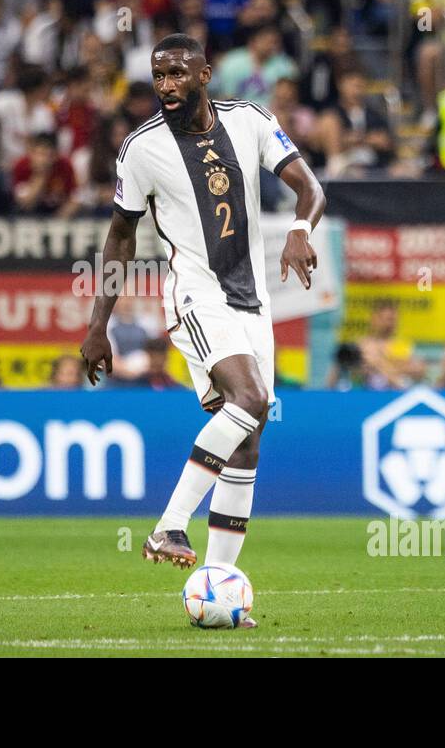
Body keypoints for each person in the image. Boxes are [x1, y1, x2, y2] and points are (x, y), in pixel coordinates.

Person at [79, 33, 325, 627]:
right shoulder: (141, 149)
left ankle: (218, 582)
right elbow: (119, 237)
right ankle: (168, 526)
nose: (166, 86)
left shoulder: (249, 120)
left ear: (205, 74)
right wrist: (98, 326)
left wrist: (301, 230)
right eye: (158, 75)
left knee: (249, 436)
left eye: (177, 74)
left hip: (252, 299)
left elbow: (311, 188)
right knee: (250, 399)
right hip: (195, 294)